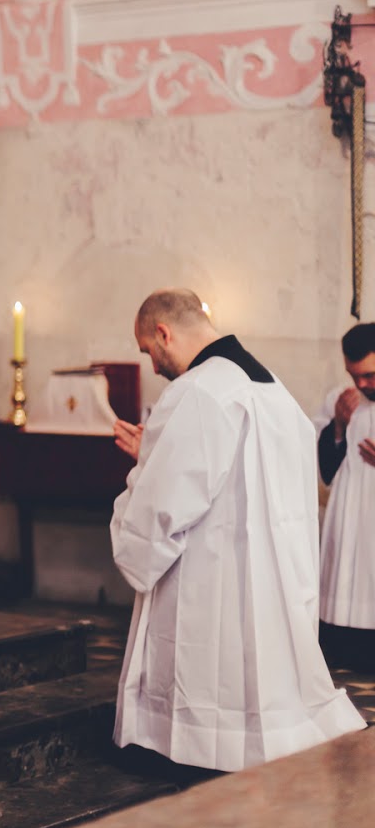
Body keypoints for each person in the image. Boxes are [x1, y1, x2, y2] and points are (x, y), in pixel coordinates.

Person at [109, 289, 364, 772]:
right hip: (272, 574)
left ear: (164, 333)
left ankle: (197, 754)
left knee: (214, 677)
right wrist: (156, 456)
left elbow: (163, 506)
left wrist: (145, 474)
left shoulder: (196, 390)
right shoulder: (275, 391)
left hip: (214, 575)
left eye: (148, 350)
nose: (154, 365)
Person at [314, 322, 375, 661]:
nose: (362, 384)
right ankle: (342, 646)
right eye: (355, 375)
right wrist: (337, 426)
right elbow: (326, 468)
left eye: (369, 374)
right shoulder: (341, 399)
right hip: (348, 509)